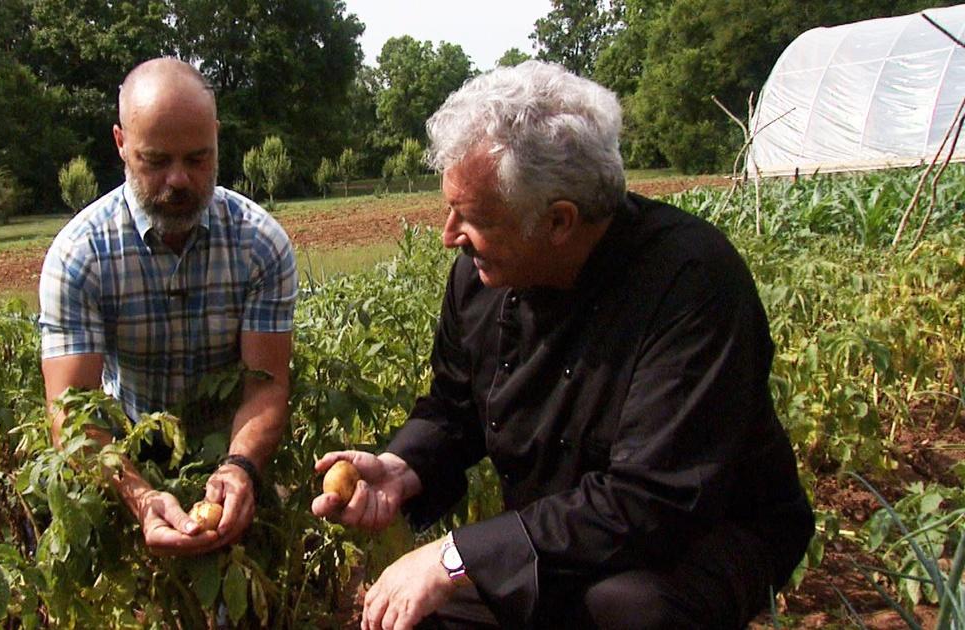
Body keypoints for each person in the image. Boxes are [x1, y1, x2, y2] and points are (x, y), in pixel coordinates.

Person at [312, 61, 814, 629]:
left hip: (704, 532)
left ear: (558, 222)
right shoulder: (479, 276)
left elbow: (654, 499)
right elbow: (453, 408)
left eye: (471, 217)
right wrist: (403, 466)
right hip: (561, 528)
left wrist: (457, 557)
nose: (449, 234)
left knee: (626, 609)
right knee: (416, 611)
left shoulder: (689, 282)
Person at [39, 58, 297, 557]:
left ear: (217, 139)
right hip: (126, 452)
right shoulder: (80, 256)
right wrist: (138, 496)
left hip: (230, 445)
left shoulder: (260, 243)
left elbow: (266, 386)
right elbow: (70, 415)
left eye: (198, 159)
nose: (178, 180)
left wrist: (240, 468)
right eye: (156, 161)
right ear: (120, 144)